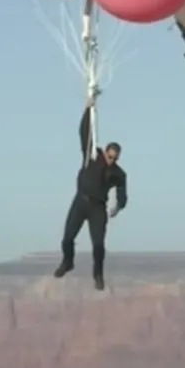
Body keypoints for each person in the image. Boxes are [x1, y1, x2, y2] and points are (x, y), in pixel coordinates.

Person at [53, 94, 128, 291]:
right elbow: (85, 132)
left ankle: (98, 275)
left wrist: (119, 206)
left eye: (115, 158)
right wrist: (88, 108)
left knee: (98, 245)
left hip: (97, 208)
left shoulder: (118, 173)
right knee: (67, 238)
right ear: (105, 152)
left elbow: (122, 192)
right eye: (109, 156)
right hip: (81, 202)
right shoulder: (92, 155)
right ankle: (67, 262)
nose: (111, 160)